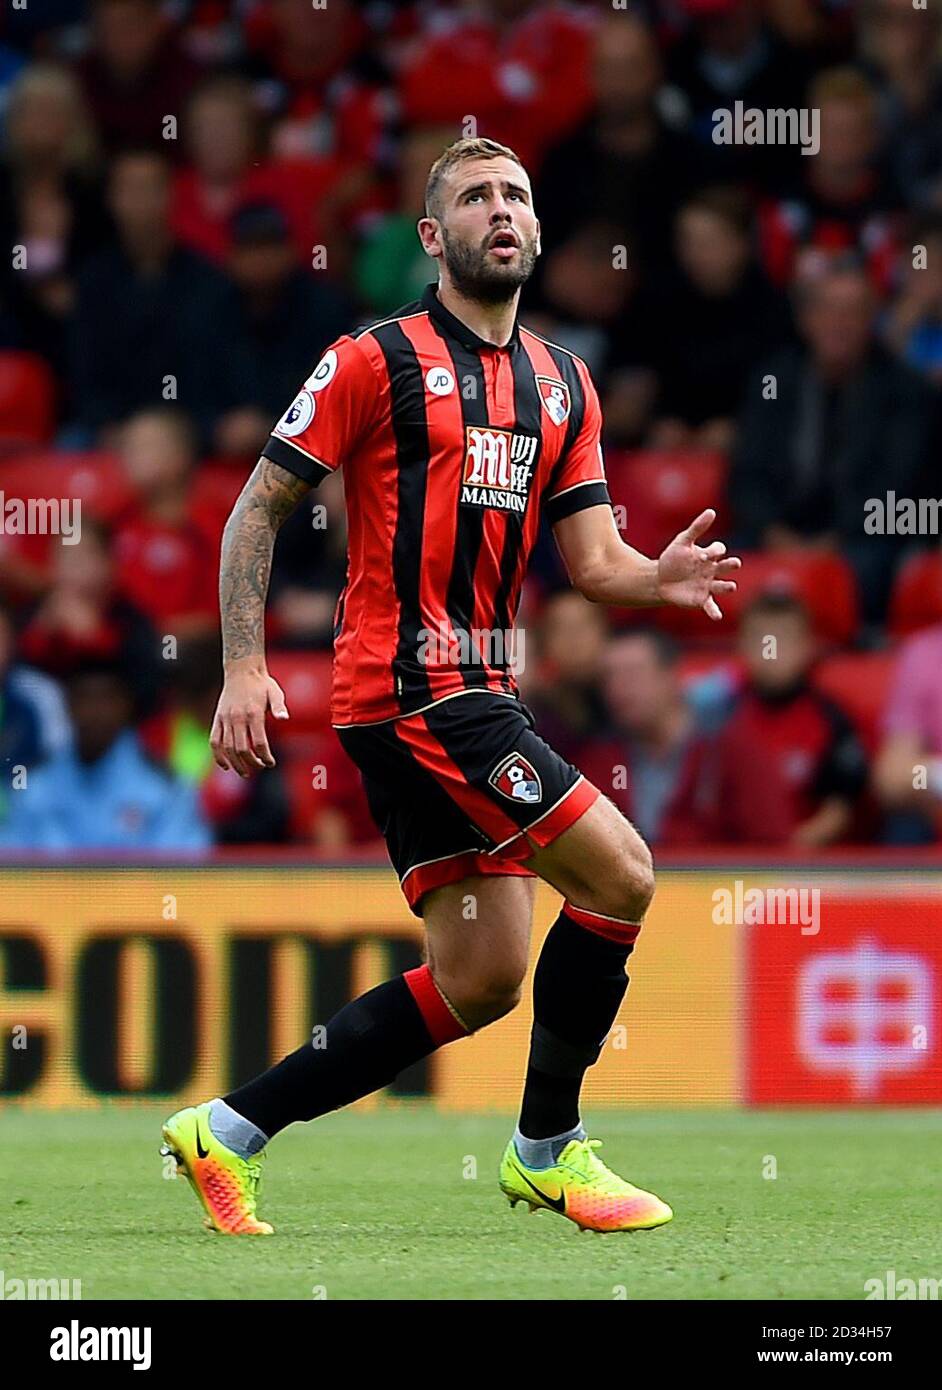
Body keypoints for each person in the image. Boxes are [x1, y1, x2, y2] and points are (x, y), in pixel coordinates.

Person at [160, 136, 740, 1237]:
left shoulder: (564, 383)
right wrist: (242, 665)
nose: (501, 210)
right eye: (475, 197)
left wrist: (654, 578)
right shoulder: (372, 358)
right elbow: (255, 509)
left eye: (517, 194)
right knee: (622, 874)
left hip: (479, 692)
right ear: (433, 237)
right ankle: (549, 1151)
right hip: (414, 688)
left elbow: (594, 562)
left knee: (481, 978)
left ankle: (227, 1129)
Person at [0, 654, 211, 853]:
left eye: (106, 699)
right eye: (84, 698)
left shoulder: (166, 786)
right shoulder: (35, 783)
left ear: (126, 705)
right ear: (67, 705)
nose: (94, 712)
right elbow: (11, 861)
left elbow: (184, 865)